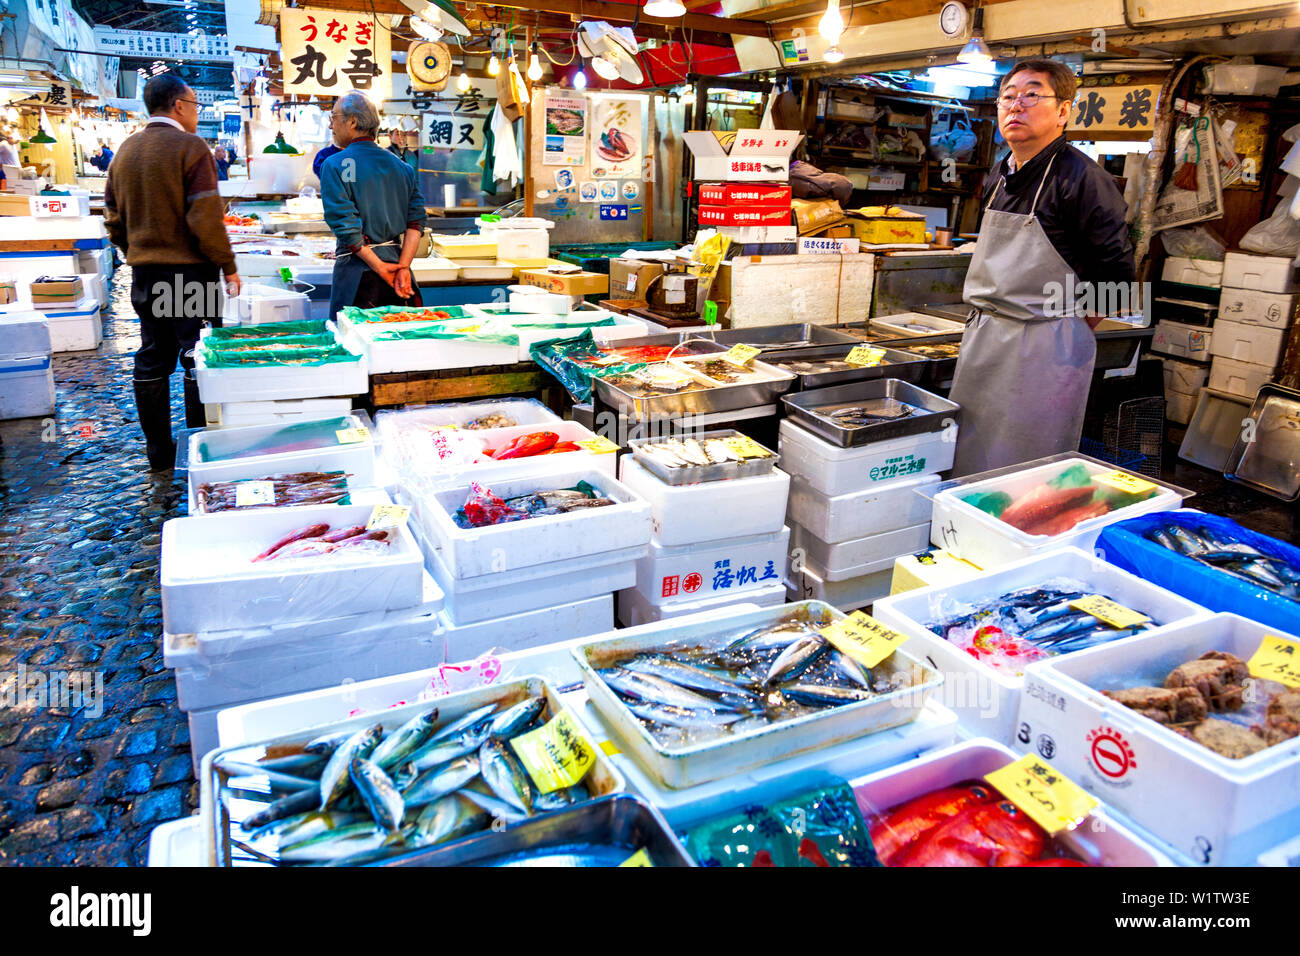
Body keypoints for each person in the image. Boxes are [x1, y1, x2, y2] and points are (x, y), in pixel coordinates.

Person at [947, 59, 1134, 477]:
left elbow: (1119, 275)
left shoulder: (1084, 180)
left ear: (1064, 111)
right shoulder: (999, 172)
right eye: (1008, 97)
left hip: (1045, 343)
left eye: (1032, 95)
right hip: (986, 338)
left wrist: (1071, 326)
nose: (1016, 106)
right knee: (970, 452)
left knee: (1026, 464)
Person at [104, 74, 241, 471]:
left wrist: (136, 251)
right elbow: (206, 218)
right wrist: (228, 267)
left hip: (146, 275)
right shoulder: (190, 147)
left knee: (152, 356)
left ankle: (159, 456)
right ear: (179, 105)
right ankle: (202, 450)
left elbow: (111, 217)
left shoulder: (125, 151)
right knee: (197, 355)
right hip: (190, 276)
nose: (196, 112)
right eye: (195, 104)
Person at [319, 91, 426, 318]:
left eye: (333, 117)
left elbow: (347, 228)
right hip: (400, 277)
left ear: (353, 121)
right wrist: (404, 267)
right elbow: (415, 223)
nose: (331, 126)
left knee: (356, 348)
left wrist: (379, 268)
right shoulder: (403, 168)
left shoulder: (335, 165)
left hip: (359, 278)